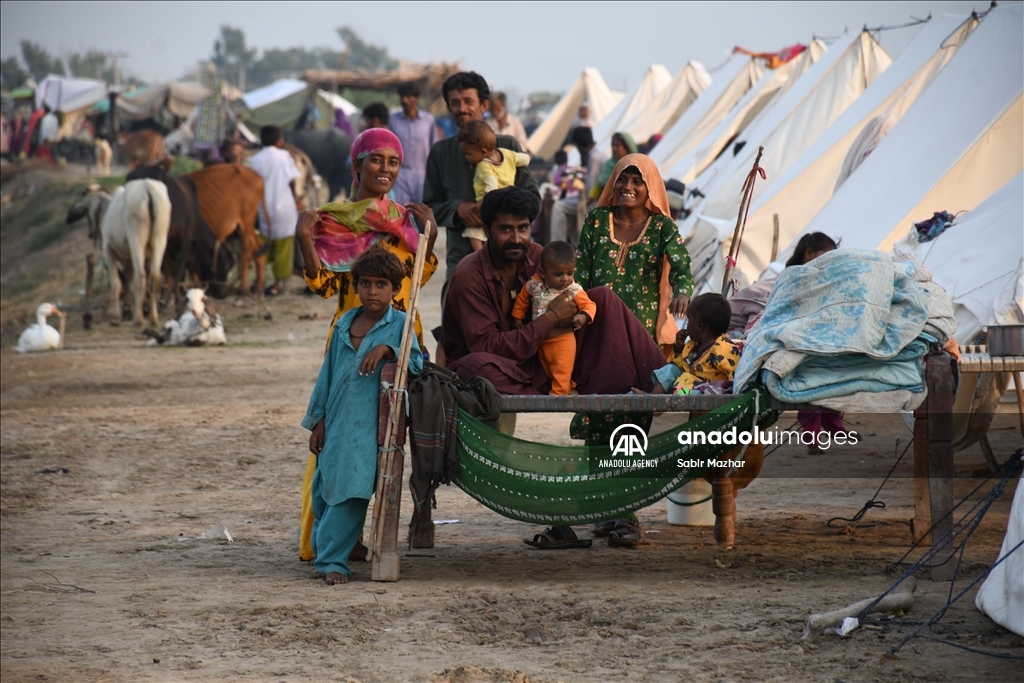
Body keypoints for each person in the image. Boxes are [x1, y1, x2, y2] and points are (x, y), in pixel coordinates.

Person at [294, 127, 439, 563]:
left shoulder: (407, 220)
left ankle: (402, 528)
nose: (385, 169)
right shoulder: (332, 222)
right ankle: (324, 541)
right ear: (355, 166)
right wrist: (304, 240)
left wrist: (428, 232)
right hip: (351, 343)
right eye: (376, 159)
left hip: (400, 341)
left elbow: (419, 279)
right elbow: (323, 285)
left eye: (393, 161)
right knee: (337, 442)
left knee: (394, 441)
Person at [442, 186, 667, 397]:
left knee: (603, 299)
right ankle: (560, 387)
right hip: (504, 367)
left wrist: (574, 314)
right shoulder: (469, 276)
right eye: (505, 229)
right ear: (486, 230)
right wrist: (549, 319)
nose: (516, 238)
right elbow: (487, 346)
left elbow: (571, 303)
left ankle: (664, 383)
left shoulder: (538, 256)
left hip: (547, 357)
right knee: (475, 369)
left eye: (523, 228)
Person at [303, 247, 424, 585]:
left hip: (370, 427)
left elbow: (416, 363)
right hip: (336, 421)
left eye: (382, 284)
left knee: (354, 490)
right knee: (325, 488)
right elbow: (326, 374)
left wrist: (388, 349)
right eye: (366, 283)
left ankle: (332, 563)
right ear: (356, 286)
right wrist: (318, 420)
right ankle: (323, 549)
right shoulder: (345, 322)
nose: (373, 291)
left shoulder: (400, 323)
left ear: (395, 289)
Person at [422, 71, 539, 302]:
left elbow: (533, 199)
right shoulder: (440, 152)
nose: (461, 108)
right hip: (462, 256)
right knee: (456, 319)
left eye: (468, 101)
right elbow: (429, 206)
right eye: (455, 103)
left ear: (484, 104)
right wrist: (458, 210)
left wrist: (497, 210)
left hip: (510, 257)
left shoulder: (507, 146)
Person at [576, 154, 693, 344]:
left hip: (641, 324)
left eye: (637, 181)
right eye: (621, 179)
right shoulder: (596, 220)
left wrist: (682, 293)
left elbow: (681, 265)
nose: (627, 186)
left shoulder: (662, 227)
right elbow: (580, 269)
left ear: (650, 188)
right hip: (596, 319)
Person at [511, 241, 597, 395]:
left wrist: (583, 316)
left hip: (563, 340)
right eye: (558, 274)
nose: (565, 279)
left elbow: (589, 305)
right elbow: (522, 300)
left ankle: (559, 396)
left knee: (561, 369)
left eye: (570, 273)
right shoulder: (534, 285)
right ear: (543, 273)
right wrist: (517, 317)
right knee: (550, 369)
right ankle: (569, 387)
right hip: (541, 340)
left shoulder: (573, 289)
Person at [784, 232, 843, 453]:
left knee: (830, 384)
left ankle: (834, 428)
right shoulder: (794, 276)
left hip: (820, 335)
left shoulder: (822, 276)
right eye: (826, 256)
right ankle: (814, 439)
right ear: (809, 254)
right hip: (800, 337)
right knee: (810, 387)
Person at [457, 120, 532, 251]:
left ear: (484, 151)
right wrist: (529, 156)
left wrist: (481, 205)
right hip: (509, 200)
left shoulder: (483, 166)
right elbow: (524, 160)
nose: (466, 157)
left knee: (473, 229)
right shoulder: (507, 154)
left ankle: (479, 254)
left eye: (469, 153)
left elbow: (491, 185)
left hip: (492, 202)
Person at [647, 293, 741, 394]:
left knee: (692, 390)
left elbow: (736, 377)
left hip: (703, 394)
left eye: (689, 320)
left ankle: (662, 406)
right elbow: (680, 365)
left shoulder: (725, 350)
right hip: (683, 386)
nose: (687, 324)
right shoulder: (692, 345)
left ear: (700, 325)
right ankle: (653, 399)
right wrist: (679, 347)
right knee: (671, 369)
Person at [248, 125, 302, 295]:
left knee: (263, 244)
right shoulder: (284, 156)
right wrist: (296, 199)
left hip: (264, 209)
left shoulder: (255, 160)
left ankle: (260, 279)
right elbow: (292, 181)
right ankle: (278, 285)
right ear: (279, 140)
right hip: (285, 207)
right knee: (284, 248)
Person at [549, 126, 606, 245]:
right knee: (569, 217)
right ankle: (575, 248)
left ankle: (557, 246)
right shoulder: (598, 155)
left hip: (593, 202)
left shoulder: (594, 158)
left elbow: (590, 189)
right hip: (593, 199)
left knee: (558, 207)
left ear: (578, 145)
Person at [389, 82, 438, 205]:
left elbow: (435, 147)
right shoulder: (393, 120)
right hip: (399, 174)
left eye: (409, 97)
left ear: (417, 99)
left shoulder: (428, 120)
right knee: (398, 210)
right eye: (403, 97)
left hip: (422, 174)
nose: (405, 100)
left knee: (422, 210)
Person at [589, 131, 638, 201]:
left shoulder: (635, 167)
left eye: (617, 146)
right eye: (613, 145)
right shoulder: (609, 164)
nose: (614, 148)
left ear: (627, 148)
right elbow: (598, 186)